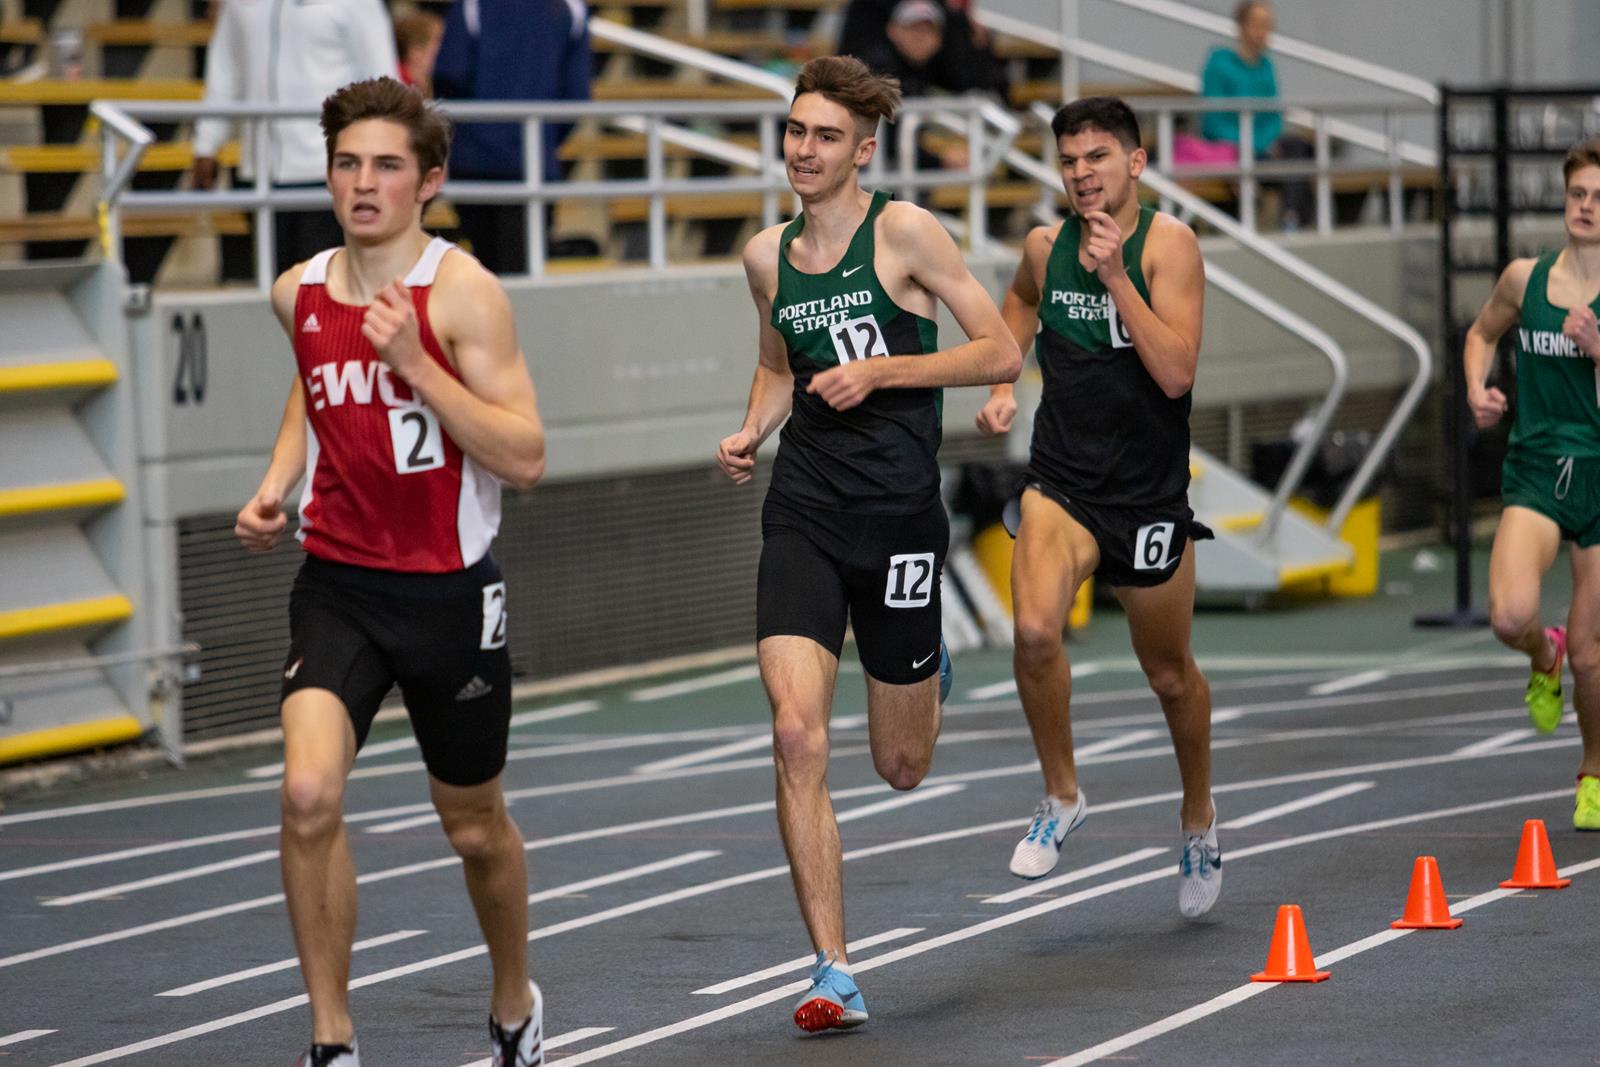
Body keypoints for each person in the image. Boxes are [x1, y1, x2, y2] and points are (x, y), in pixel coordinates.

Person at [232, 77, 547, 1067]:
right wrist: (277, 482)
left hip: (449, 593)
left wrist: (418, 364)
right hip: (340, 585)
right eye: (347, 163)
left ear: (430, 181)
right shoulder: (298, 288)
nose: (363, 183)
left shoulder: (462, 294)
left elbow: (525, 454)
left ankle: (513, 997)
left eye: (387, 166)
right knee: (308, 794)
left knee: (473, 827)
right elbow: (310, 387)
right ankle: (331, 1036)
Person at [716, 55, 1020, 1032]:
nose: (802, 151)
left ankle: (925, 674)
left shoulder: (904, 233)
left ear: (863, 148)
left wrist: (884, 371)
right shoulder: (766, 255)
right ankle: (832, 968)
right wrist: (748, 430)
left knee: (899, 762)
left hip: (896, 517)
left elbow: (996, 351)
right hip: (802, 507)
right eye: (794, 131)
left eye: (823, 137)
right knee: (796, 731)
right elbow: (775, 365)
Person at [974, 97, 1222, 916]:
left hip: (1148, 495)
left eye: (1097, 158)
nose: (1081, 173)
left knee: (1169, 674)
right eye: (1070, 160)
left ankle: (1197, 814)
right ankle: (1061, 794)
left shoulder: (1172, 247)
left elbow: (1178, 373)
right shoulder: (1046, 247)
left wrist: (1117, 277)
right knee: (1037, 629)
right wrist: (1006, 378)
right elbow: (1014, 301)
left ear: (1136, 164)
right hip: (1063, 483)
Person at [1465, 137, 1600, 831]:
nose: (1586, 206)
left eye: (1599, 197)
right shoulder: (1526, 277)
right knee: (1509, 615)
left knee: (1593, 651)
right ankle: (1539, 653)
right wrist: (1476, 389)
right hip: (1539, 469)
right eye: (1579, 193)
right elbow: (1481, 333)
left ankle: (1594, 772)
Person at [193, 0, 399, 276]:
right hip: (260, 170)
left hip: (331, 171)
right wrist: (207, 143)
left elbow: (381, 78)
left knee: (325, 290)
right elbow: (225, 71)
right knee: (275, 290)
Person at [432, 0, 592, 273]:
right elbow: (576, 96)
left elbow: (450, 74)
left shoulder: (472, 5)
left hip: (475, 162)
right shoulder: (570, 8)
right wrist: (544, 139)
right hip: (534, 164)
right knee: (523, 273)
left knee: (486, 270)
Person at [1198, 0, 1313, 229]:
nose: (1263, 31)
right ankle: (1284, 218)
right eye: (1258, 24)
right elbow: (1213, 122)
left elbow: (1273, 116)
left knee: (1300, 148)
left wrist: (1267, 142)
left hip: (1262, 151)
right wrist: (1258, 144)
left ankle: (1292, 218)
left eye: (1268, 25)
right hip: (1233, 149)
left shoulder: (1266, 67)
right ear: (1241, 26)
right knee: (1272, 162)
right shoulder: (1219, 64)